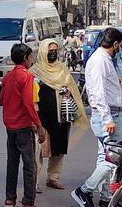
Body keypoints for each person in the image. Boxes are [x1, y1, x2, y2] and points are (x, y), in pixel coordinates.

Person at [71, 27, 122, 207]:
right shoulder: (99, 60)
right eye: (120, 45)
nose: (120, 49)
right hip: (107, 115)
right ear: (115, 44)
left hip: (112, 113)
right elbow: (98, 92)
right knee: (113, 158)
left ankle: (105, 198)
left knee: (105, 158)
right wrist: (108, 118)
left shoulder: (105, 60)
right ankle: (85, 190)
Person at [32, 36, 87, 190]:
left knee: (58, 148)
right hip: (42, 116)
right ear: (43, 52)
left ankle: (53, 178)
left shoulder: (62, 68)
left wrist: (68, 92)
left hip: (61, 115)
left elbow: (72, 87)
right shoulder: (35, 71)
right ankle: (34, 182)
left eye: (55, 51)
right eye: (50, 51)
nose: (53, 53)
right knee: (40, 150)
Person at [0, 43, 47, 207]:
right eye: (31, 57)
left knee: (12, 163)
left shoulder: (9, 76)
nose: (32, 59)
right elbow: (28, 103)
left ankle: (9, 199)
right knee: (29, 165)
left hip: (10, 126)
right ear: (26, 59)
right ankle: (27, 203)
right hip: (23, 126)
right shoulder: (26, 77)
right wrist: (39, 126)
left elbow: (1, 100)